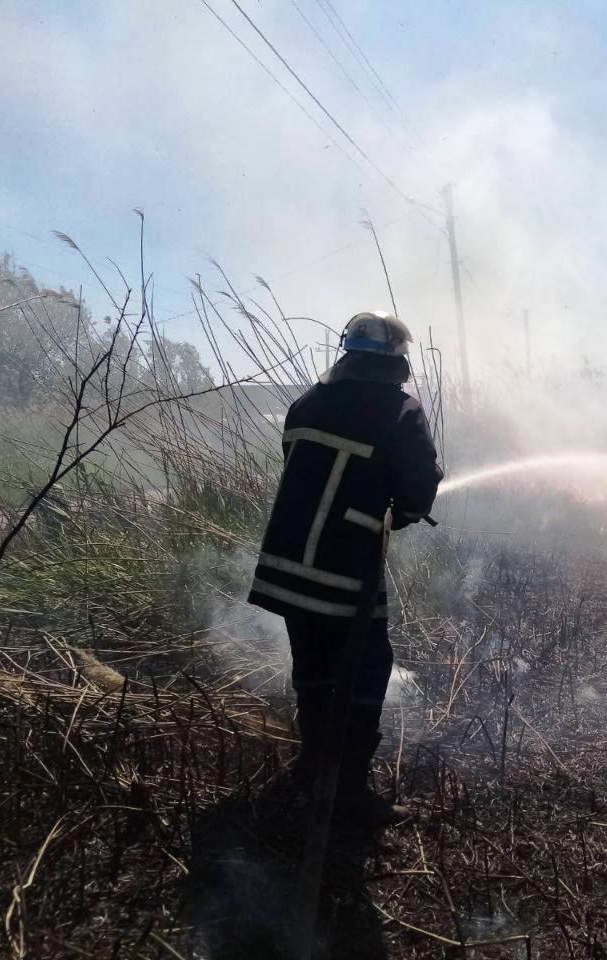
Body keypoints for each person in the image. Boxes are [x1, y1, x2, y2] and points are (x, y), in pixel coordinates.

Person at [247, 311, 442, 817]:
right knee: (366, 671)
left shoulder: (307, 402)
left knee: (312, 665)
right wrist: (404, 513)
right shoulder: (400, 411)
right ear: (396, 361)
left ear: (349, 354)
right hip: (343, 567)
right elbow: (417, 488)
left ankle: (312, 765)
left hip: (286, 563)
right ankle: (348, 790)